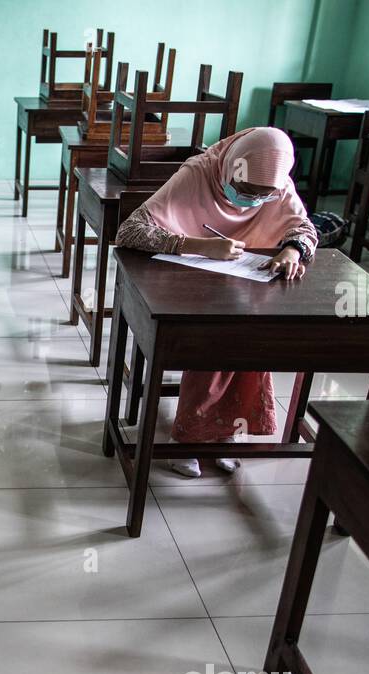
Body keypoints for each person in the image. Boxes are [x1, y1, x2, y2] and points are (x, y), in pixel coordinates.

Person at [114, 126, 318, 478]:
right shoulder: (199, 174)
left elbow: (304, 229)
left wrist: (291, 250)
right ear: (233, 169)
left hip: (243, 283)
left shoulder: (275, 184)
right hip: (184, 284)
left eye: (262, 196)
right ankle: (190, 438)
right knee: (212, 340)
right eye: (244, 190)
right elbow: (130, 231)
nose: (251, 200)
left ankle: (223, 432)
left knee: (250, 337)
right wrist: (199, 245)